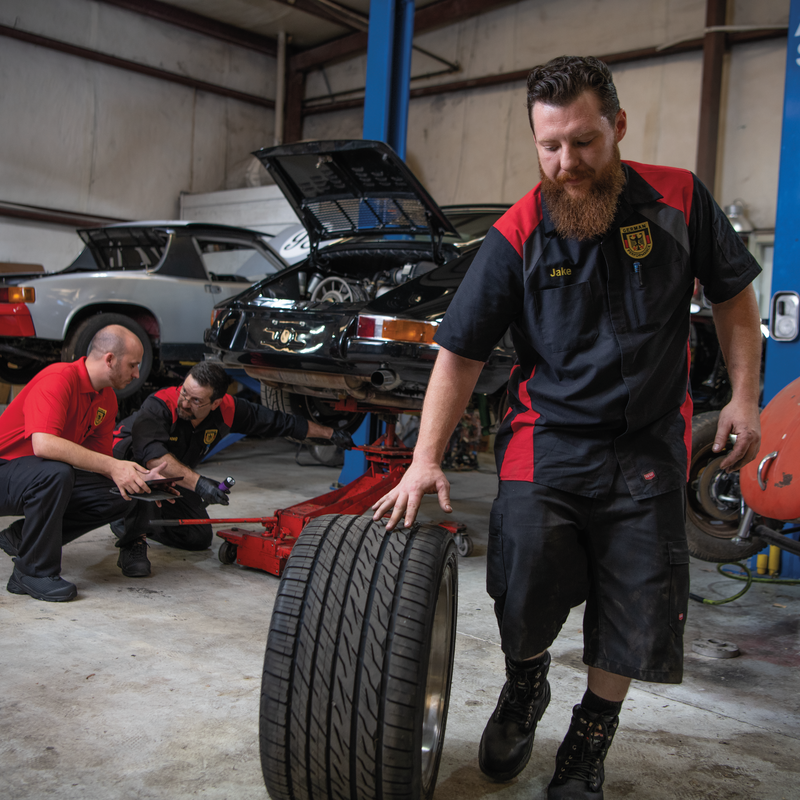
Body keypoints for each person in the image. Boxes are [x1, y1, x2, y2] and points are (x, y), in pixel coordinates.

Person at [373, 56, 763, 799]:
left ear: (616, 127)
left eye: (583, 143)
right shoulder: (519, 230)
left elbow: (734, 295)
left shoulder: (679, 199)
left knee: (637, 606)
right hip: (546, 440)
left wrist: (744, 397)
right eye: (549, 146)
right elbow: (459, 353)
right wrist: (423, 458)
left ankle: (588, 740)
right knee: (521, 588)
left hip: (649, 444)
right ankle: (526, 686)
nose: (566, 163)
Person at [110, 361, 354, 576]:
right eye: (184, 392)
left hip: (173, 478)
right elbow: (154, 459)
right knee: (141, 467)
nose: (184, 403)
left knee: (198, 537)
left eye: (196, 400)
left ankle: (133, 522)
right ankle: (133, 540)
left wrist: (331, 434)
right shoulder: (160, 405)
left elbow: (279, 422)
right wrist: (199, 484)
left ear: (216, 402)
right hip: (123, 470)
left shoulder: (229, 409)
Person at [0, 324, 168, 602]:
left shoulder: (106, 399)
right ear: (110, 359)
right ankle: (31, 573)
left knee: (120, 494)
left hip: (34, 477)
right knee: (55, 472)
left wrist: (139, 479)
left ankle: (21, 538)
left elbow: (99, 462)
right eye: (133, 365)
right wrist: (114, 467)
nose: (138, 374)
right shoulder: (58, 379)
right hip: (5, 471)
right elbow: (43, 444)